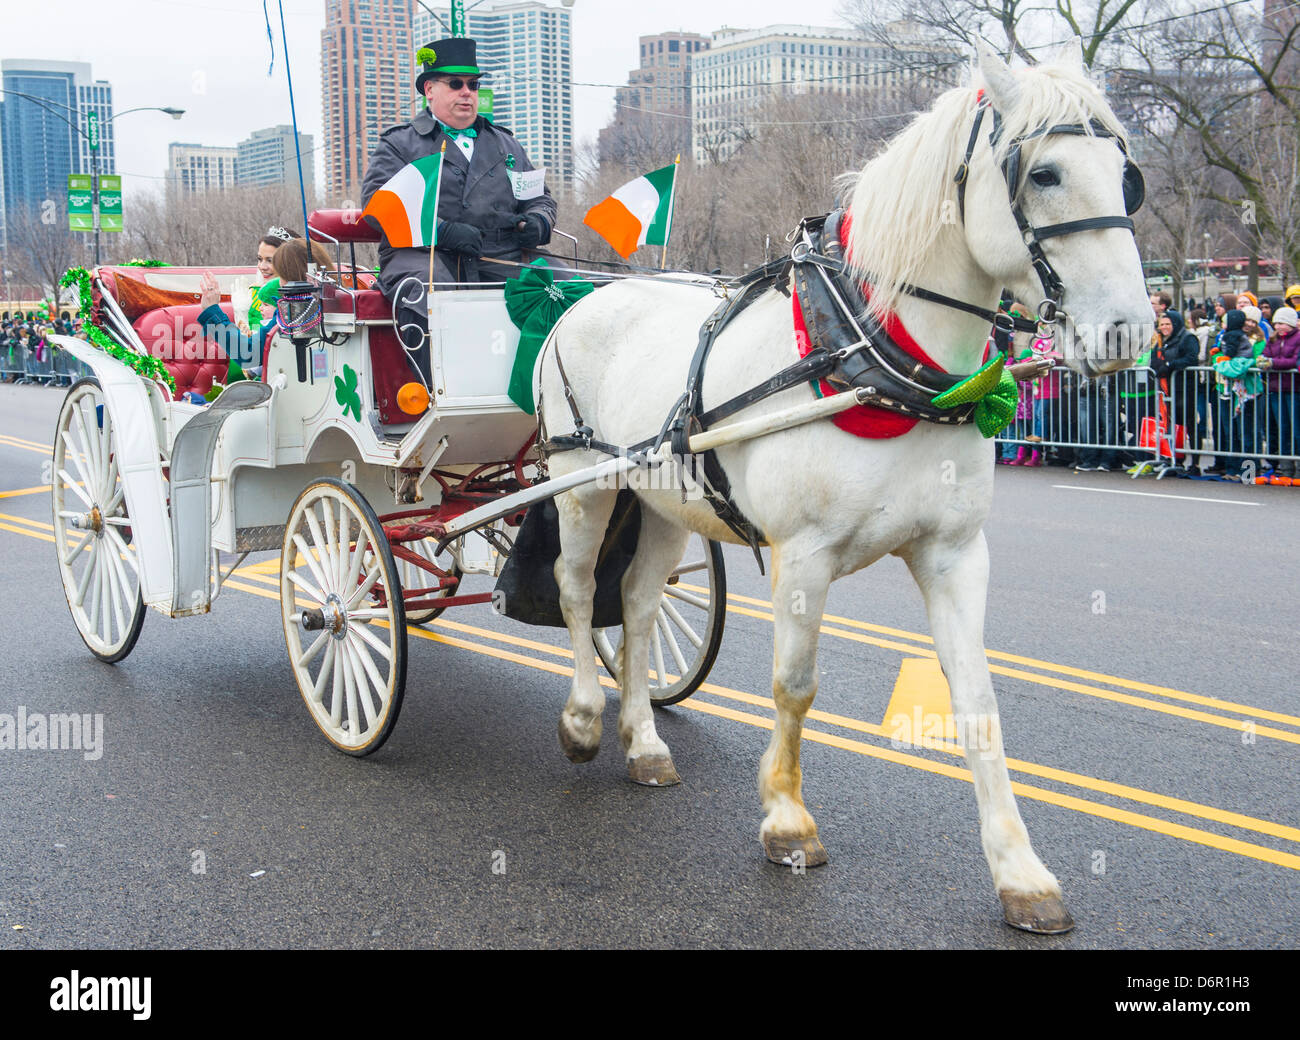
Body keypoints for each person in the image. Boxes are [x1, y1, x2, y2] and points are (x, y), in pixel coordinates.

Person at [360, 36, 557, 383]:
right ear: (429, 90)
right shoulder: (400, 144)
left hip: (500, 253)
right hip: (424, 252)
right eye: (456, 84)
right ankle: (442, 391)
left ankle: (552, 388)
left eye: (473, 84)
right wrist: (440, 230)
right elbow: (378, 206)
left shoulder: (505, 142)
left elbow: (539, 197)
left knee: (565, 287)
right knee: (431, 292)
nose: (467, 92)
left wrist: (538, 221)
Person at [1257, 306, 1300, 477]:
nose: (1279, 327)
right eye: (1277, 323)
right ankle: (1285, 467)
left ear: (1290, 324)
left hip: (1294, 390)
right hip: (1276, 389)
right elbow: (1264, 355)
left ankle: (1298, 466)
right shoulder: (1273, 339)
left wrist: (1272, 363)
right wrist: (1262, 361)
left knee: (1295, 429)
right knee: (1281, 429)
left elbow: (1294, 361)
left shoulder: (1298, 338)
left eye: (1282, 323)